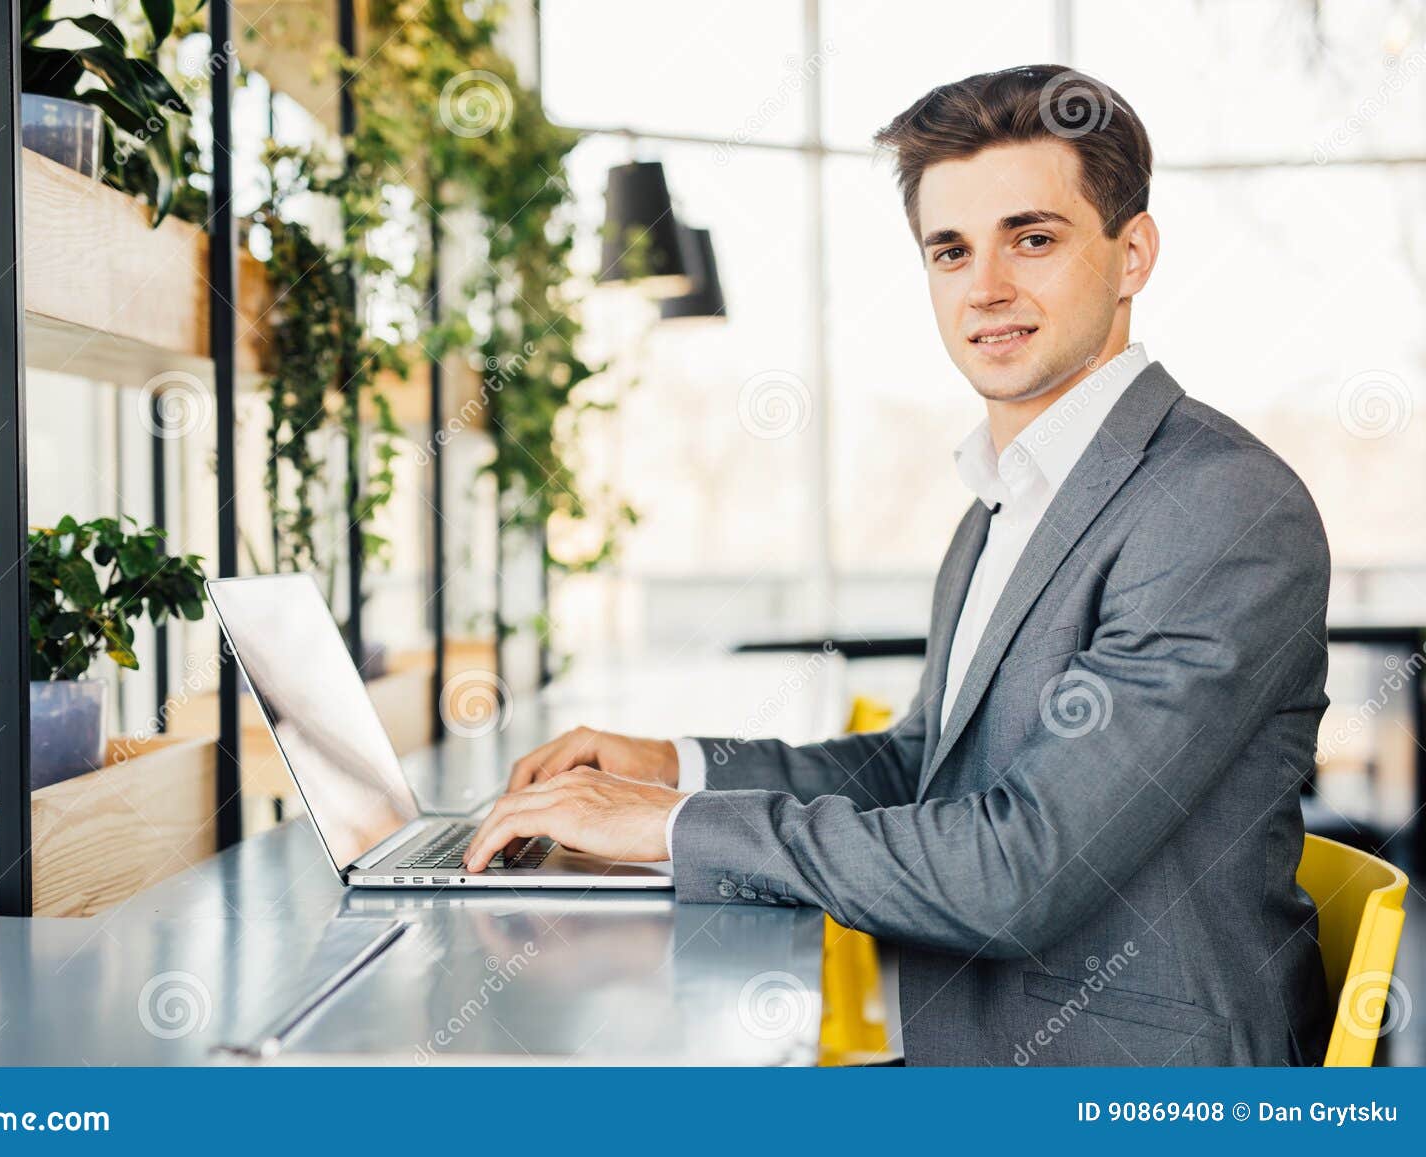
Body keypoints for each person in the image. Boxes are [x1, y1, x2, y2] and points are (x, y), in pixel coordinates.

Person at [463, 64, 1331, 1066]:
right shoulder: (1003, 501)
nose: (986, 288)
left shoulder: (1217, 509)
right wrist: (672, 766)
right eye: (950, 251)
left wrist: (673, 824)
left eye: (1032, 239)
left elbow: (1017, 867)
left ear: (1131, 252)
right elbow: (920, 770)